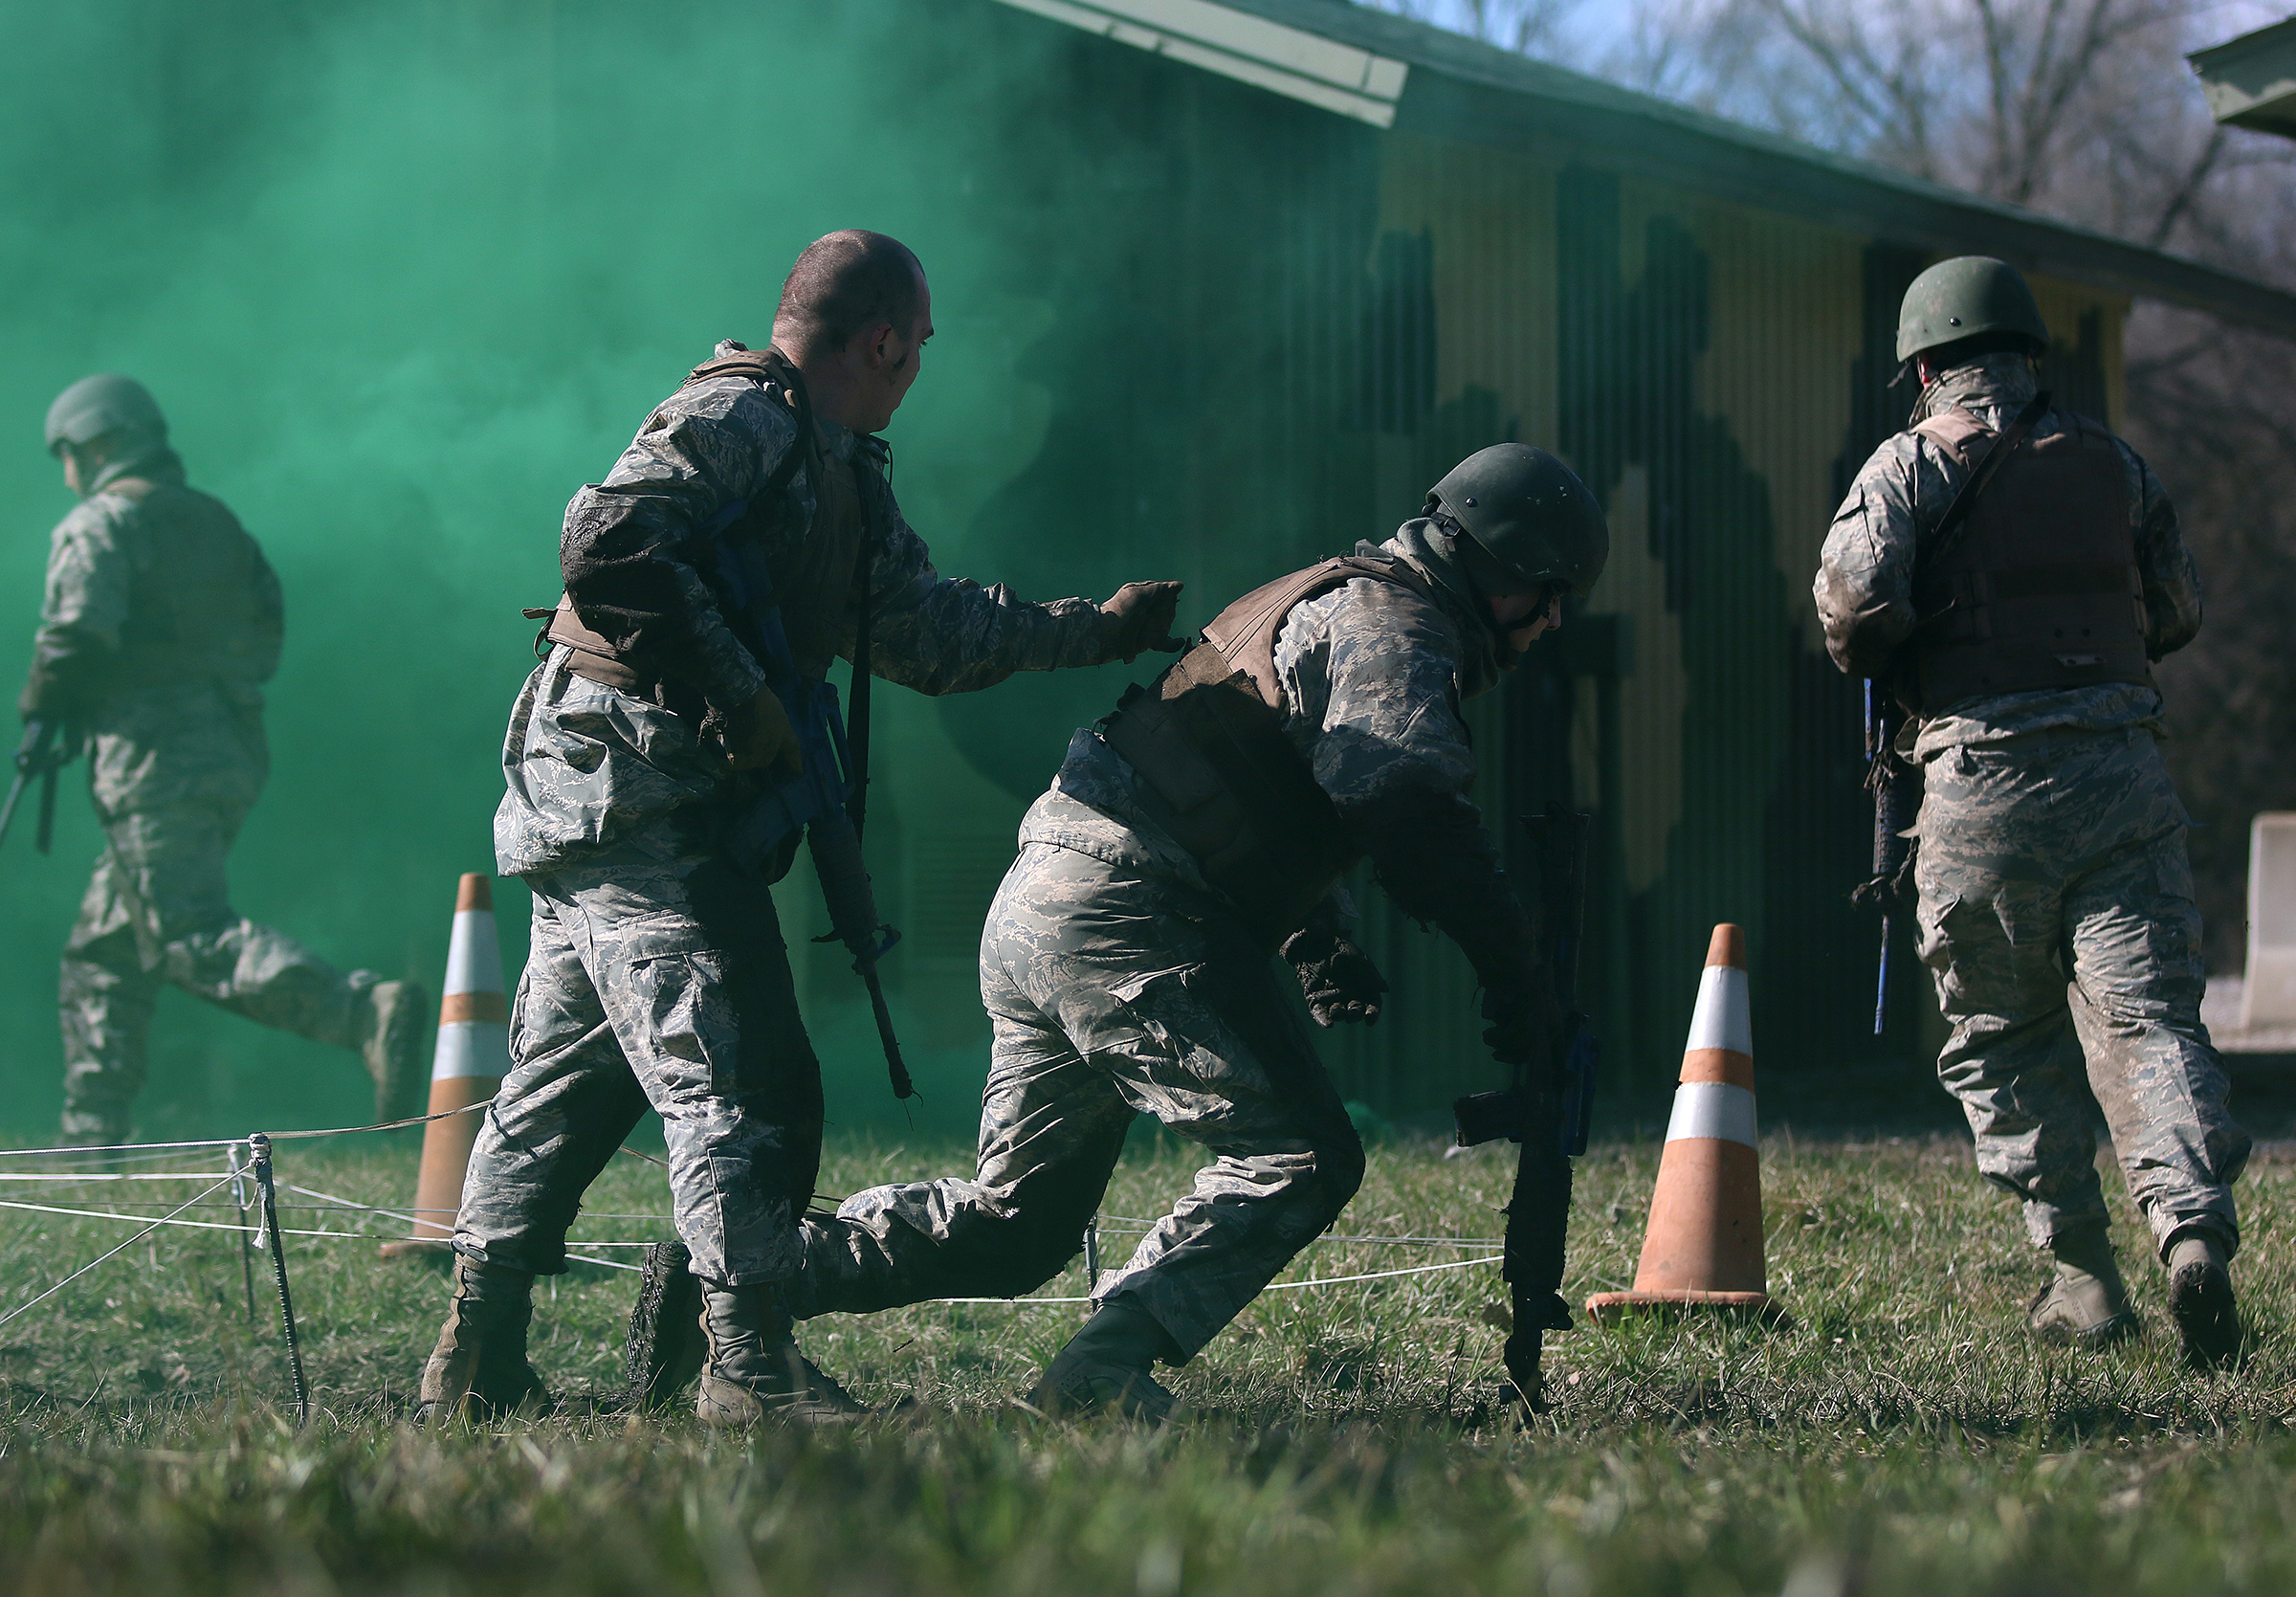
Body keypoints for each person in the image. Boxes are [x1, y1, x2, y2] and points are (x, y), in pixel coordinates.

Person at [416, 229, 1184, 1427]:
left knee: (571, 1079)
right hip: (636, 794)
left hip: (615, 799)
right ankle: (748, 1365)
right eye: (918, 343)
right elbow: (607, 540)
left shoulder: (835, 466)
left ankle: (477, 1358)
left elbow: (928, 632)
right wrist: (740, 693)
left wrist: (1099, 628)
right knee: (743, 1076)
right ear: (880, 339)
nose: (920, 365)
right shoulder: (747, 420)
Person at [774, 443, 1606, 1420]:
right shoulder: (1397, 619)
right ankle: (1100, 1372)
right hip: (1132, 908)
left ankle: (743, 1281)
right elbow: (1403, 801)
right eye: (1544, 591)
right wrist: (1514, 974)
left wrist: (1315, 935)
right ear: (1482, 557)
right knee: (1301, 1154)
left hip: (1053, 894)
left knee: (1017, 1223)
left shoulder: (1325, 594)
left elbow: (1249, 772)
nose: (1550, 619)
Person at [1816, 255, 2246, 1367]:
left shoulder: (1907, 462)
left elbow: (1853, 609)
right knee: (2149, 1018)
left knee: (2006, 1039)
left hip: (1983, 783)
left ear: (1924, 363)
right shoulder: (2117, 465)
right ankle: (2190, 1230)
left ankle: (2083, 1274)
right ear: (2029, 352)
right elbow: (2182, 608)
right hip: (2121, 773)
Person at [23, 374, 430, 1146]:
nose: (68, 473)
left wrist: (45, 705)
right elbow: (266, 636)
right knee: (105, 949)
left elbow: (75, 633)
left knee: (183, 933)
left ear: (99, 441)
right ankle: (90, 1136)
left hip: (150, 758)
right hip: (228, 744)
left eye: (69, 455)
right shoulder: (216, 524)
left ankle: (360, 1011)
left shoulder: (101, 521)